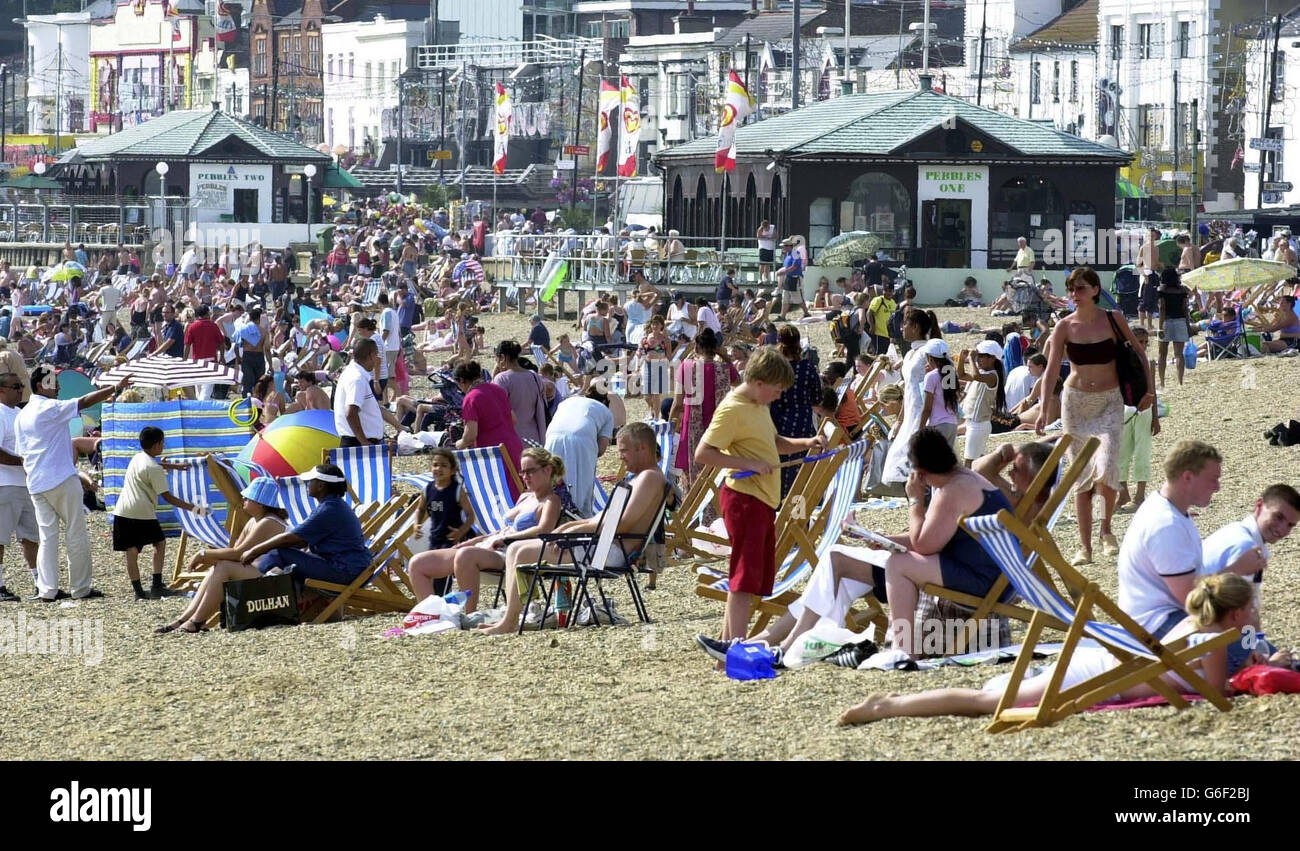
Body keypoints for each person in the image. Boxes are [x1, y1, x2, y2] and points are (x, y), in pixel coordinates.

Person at [838, 573, 1273, 726]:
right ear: (1234, 615)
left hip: (1099, 666)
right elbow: (1221, 695)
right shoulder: (1214, 643)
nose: (1253, 615)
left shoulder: (1190, 623)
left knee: (990, 697)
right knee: (984, 703)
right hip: (1094, 677)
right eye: (1250, 609)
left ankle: (892, 704)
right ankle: (887, 706)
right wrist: (1262, 669)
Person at [692, 346, 827, 657]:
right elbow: (704, 453)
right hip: (743, 499)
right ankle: (735, 650)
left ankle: (726, 650)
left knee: (750, 578)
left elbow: (772, 444)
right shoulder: (734, 408)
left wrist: (806, 443)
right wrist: (749, 464)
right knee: (743, 578)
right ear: (760, 382)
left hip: (761, 499)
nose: (778, 397)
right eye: (777, 390)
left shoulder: (757, 404)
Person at [482, 424, 669, 635]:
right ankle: (511, 618)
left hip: (610, 552)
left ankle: (509, 621)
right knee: (516, 549)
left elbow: (621, 524)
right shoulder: (638, 479)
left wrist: (569, 532)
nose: (621, 457)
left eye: (624, 451)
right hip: (603, 546)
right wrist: (566, 528)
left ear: (642, 448)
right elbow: (601, 519)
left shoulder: (649, 477)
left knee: (522, 551)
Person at [1037, 267, 1154, 566]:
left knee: (1107, 465)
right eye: (1071, 289)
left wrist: (1150, 392)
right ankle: (1084, 546)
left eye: (1080, 288)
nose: (1074, 294)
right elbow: (1051, 371)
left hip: (1109, 401)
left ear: (1095, 290)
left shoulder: (1113, 318)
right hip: (1075, 404)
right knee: (1082, 476)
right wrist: (1042, 409)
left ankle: (1107, 530)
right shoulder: (1064, 326)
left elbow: (1140, 355)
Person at [408, 447, 562, 621]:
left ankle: (468, 616)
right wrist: (474, 540)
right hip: (492, 545)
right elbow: (500, 530)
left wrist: (506, 538)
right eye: (522, 472)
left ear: (547, 470)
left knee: (466, 556)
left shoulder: (551, 500)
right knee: (418, 563)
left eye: (530, 472)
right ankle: (432, 618)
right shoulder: (525, 497)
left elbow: (544, 529)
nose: (525, 477)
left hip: (513, 553)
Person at [16, 365, 129, 601]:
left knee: (47, 537)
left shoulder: (22, 414)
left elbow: (22, 452)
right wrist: (114, 388)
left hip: (36, 482)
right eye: (53, 382)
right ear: (40, 386)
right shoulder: (49, 407)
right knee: (75, 533)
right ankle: (80, 588)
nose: (58, 387)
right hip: (60, 479)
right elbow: (84, 401)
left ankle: (47, 590)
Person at [155, 478, 290, 634]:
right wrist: (210, 559)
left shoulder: (269, 522)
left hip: (276, 578)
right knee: (218, 567)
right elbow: (234, 552)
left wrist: (203, 554)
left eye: (248, 497)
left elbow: (238, 554)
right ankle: (185, 619)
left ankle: (197, 621)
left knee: (224, 566)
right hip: (260, 572)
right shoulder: (254, 521)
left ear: (260, 503)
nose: (243, 499)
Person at [1117, 440, 1221, 638]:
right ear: (1188, 477)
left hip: (1156, 617)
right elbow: (1193, 600)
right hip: (1156, 625)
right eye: (1213, 479)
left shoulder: (1165, 508)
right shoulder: (1166, 525)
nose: (1217, 487)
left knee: (1247, 631)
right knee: (1242, 642)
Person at [111, 426, 200, 600]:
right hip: (142, 512)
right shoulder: (154, 468)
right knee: (159, 543)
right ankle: (157, 585)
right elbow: (168, 497)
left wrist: (173, 466)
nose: (163, 445)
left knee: (131, 551)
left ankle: (138, 592)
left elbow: (153, 465)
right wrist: (194, 508)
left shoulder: (138, 458)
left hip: (122, 510)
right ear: (157, 444)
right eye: (162, 442)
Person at [668, 328, 738, 497]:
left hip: (693, 426)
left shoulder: (686, 367)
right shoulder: (724, 368)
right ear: (715, 348)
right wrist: (725, 357)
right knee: (717, 471)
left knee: (692, 471)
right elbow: (740, 385)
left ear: (696, 348)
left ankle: (693, 514)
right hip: (718, 426)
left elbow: (678, 403)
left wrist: (670, 423)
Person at [882, 309, 942, 484]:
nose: (901, 329)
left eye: (904, 324)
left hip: (928, 411)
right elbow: (907, 391)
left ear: (915, 327)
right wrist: (900, 420)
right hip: (911, 413)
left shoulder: (929, 351)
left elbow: (947, 378)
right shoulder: (909, 354)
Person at [406, 449, 477, 599]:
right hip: (435, 537)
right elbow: (420, 509)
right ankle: (435, 604)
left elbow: (471, 516)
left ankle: (441, 603)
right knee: (428, 572)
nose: (438, 469)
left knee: (443, 578)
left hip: (452, 540)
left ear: (452, 471)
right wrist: (416, 524)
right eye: (435, 465)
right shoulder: (428, 489)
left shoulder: (457, 491)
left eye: (443, 465)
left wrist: (461, 532)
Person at [455, 360, 524, 497]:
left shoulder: (471, 397)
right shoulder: (497, 389)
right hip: (513, 445)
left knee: (499, 494)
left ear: (462, 380)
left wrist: (459, 444)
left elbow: (471, 435)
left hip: (492, 453)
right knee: (517, 488)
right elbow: (513, 419)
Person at [544, 387, 615, 517]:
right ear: (605, 401)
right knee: (581, 485)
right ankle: (579, 518)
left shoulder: (568, 401)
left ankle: (549, 514)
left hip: (552, 436)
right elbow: (601, 449)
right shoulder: (606, 412)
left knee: (552, 479)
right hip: (581, 437)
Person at [769, 326, 822, 497]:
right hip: (802, 423)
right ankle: (798, 512)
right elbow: (817, 398)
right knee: (801, 470)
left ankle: (780, 508)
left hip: (779, 423)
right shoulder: (807, 367)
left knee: (781, 468)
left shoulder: (775, 368)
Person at [0, 372, 37, 602]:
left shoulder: (19, 413)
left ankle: (39, 581)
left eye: (22, 385)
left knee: (32, 536)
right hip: (5, 484)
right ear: (2, 389)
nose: (21, 389)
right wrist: (22, 461)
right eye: (16, 386)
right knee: (1, 539)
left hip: (25, 484)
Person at [1116, 326, 1161, 512]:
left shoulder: (1147, 362)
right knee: (1122, 453)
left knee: (1142, 451)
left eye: (1145, 342)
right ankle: (1123, 492)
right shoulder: (1120, 360)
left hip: (1144, 410)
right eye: (1139, 341)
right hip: (1124, 409)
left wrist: (1155, 418)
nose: (1142, 345)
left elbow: (1152, 391)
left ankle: (1140, 495)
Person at [334, 338, 405, 447]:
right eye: (377, 354)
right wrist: (364, 442)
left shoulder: (355, 373)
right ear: (371, 355)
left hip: (359, 440)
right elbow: (351, 413)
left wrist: (398, 426)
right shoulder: (356, 378)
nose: (378, 358)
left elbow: (374, 408)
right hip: (357, 443)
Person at [956, 340, 1006, 464]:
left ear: (992, 358)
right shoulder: (983, 373)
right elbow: (961, 375)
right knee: (977, 463)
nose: (978, 359)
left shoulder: (992, 376)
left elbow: (976, 376)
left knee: (970, 463)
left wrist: (972, 359)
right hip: (973, 423)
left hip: (979, 424)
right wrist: (962, 359)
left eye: (981, 356)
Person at [493, 340, 548, 447]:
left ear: (502, 357)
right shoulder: (534, 376)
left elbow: (497, 410)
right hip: (534, 436)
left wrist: (495, 374)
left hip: (511, 439)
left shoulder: (502, 379)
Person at [917, 338, 959, 446]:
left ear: (930, 357)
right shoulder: (951, 373)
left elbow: (927, 408)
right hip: (952, 424)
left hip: (938, 425)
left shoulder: (931, 377)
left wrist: (920, 429)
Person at [1156, 267, 1191, 388]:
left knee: (1162, 354)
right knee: (1179, 354)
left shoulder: (1162, 290)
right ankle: (1180, 381)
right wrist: (1188, 325)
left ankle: (1162, 381)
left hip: (1166, 321)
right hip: (1180, 321)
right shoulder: (1182, 290)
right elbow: (1185, 309)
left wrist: (1160, 327)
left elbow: (1162, 308)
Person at [775, 238, 807, 320]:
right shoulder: (788, 254)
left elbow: (794, 266)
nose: (782, 248)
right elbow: (787, 266)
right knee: (785, 297)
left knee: (798, 298)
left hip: (795, 278)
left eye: (784, 247)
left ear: (788, 246)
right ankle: (782, 316)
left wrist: (783, 272)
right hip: (788, 277)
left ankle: (806, 313)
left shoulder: (795, 253)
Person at [1137, 227, 1161, 330]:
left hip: (1154, 274)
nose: (1151, 237)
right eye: (1149, 236)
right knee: (1144, 301)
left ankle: (1150, 324)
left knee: (1152, 301)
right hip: (1146, 273)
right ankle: (1142, 323)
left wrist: (1160, 264)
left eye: (1153, 236)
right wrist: (1144, 276)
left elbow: (1156, 262)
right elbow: (1138, 264)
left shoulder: (1156, 248)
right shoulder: (1144, 247)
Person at [866, 282, 896, 356]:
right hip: (878, 334)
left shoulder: (893, 303)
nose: (887, 292)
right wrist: (872, 326)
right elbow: (869, 313)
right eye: (885, 290)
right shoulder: (878, 300)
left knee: (885, 357)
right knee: (877, 356)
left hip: (888, 335)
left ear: (893, 292)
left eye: (890, 291)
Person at [756, 220, 777, 286]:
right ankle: (760, 278)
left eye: (767, 227)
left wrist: (768, 237)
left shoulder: (772, 227)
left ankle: (766, 277)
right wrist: (767, 237)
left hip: (770, 248)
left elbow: (775, 236)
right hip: (763, 248)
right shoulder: (760, 229)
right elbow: (759, 236)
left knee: (768, 264)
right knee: (762, 263)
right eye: (765, 228)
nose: (766, 229)